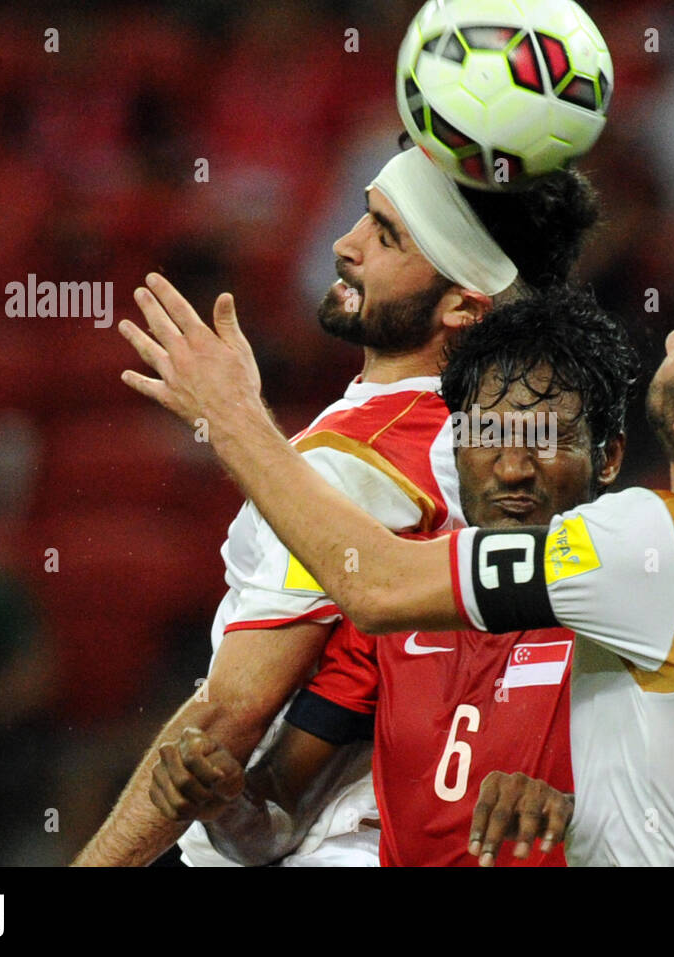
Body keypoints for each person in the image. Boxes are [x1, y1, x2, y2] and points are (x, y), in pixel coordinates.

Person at [119, 242, 674, 866]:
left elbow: (378, 583)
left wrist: (232, 418)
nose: (515, 464)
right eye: (491, 432)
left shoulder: (650, 551)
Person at [74, 146, 598, 867]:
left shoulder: (368, 459)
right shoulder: (470, 442)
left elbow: (230, 712)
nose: (344, 244)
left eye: (386, 236)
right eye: (365, 214)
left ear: (461, 306)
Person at [146, 287, 636, 867]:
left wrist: (583, 814)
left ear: (607, 457)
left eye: (546, 438)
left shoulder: (643, 590)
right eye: (489, 435)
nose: (512, 468)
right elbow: (271, 824)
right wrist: (222, 806)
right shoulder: (399, 602)